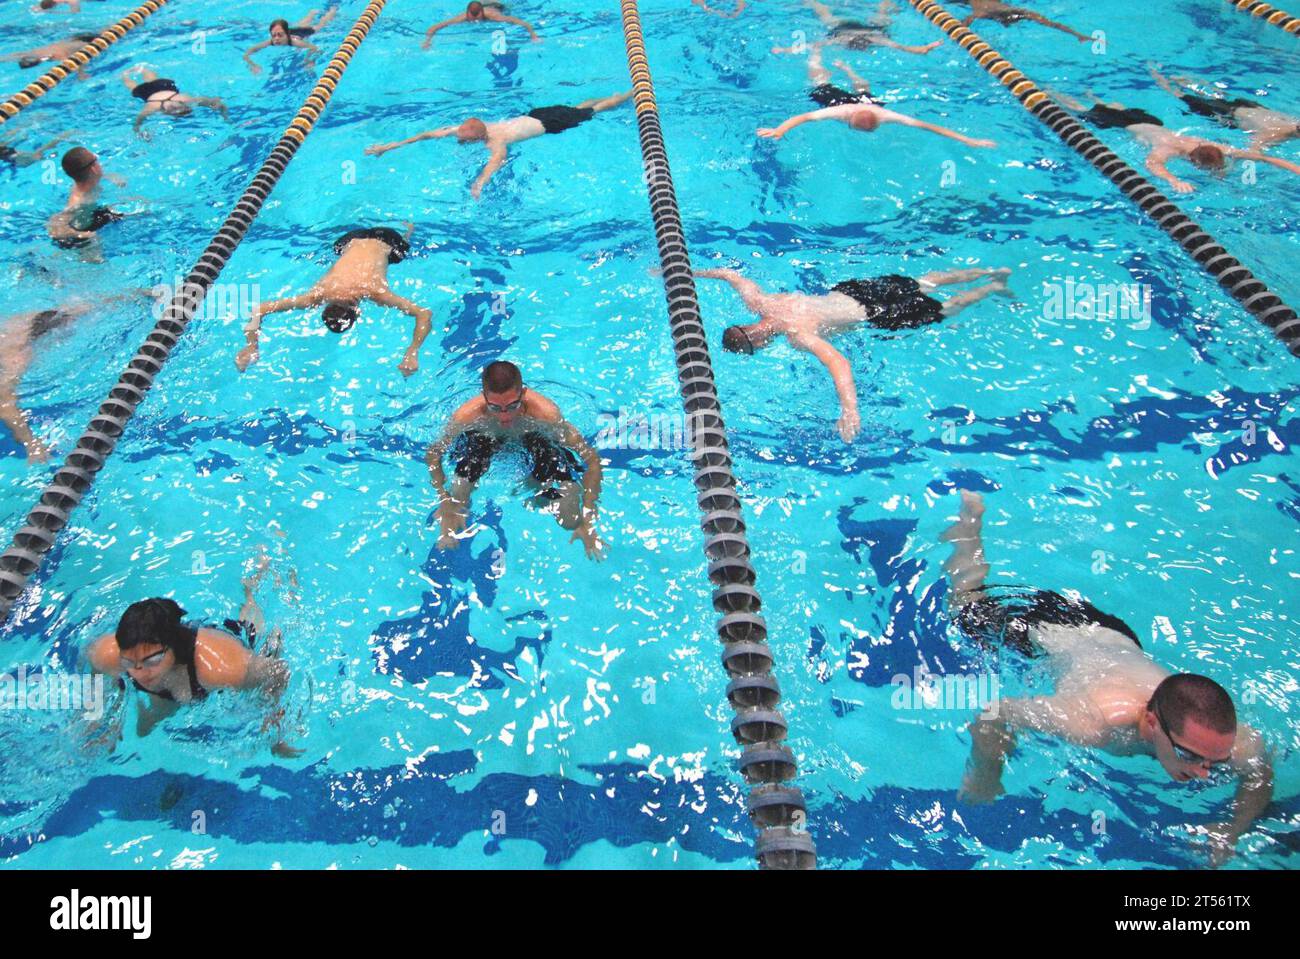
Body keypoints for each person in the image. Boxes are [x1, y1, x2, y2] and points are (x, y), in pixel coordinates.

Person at [942, 490, 1273, 866]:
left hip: (1116, 635)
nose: (1203, 772)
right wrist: (988, 773)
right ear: (1150, 722)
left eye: (1216, 760)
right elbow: (994, 712)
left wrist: (1231, 829)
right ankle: (968, 523)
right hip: (1049, 630)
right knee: (964, 604)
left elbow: (1260, 771)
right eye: (1189, 756)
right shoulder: (1089, 724)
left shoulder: (1224, 740)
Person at [700, 265, 1012, 441]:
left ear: (761, 345)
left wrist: (850, 410)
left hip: (874, 313)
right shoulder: (762, 303)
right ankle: (988, 271)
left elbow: (840, 362)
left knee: (945, 308)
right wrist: (683, 270)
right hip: (852, 292)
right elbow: (730, 274)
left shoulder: (798, 335)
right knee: (925, 281)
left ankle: (991, 288)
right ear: (745, 322)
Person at [86, 566, 301, 757]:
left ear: (172, 646)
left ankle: (254, 587)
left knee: (257, 629)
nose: (139, 673)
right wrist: (100, 715)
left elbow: (278, 672)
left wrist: (274, 722)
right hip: (173, 684)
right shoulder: (107, 653)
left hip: (226, 642)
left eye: (152, 660)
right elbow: (93, 674)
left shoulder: (221, 667)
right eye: (129, 663)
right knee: (143, 732)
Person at [425, 360, 604, 558]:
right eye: (494, 407)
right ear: (484, 398)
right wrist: (444, 499)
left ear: (524, 393)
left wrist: (587, 514)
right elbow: (434, 454)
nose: (504, 417)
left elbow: (592, 459)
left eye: (512, 406)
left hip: (535, 440)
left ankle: (536, 485)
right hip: (483, 439)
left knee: (570, 519)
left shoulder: (546, 414)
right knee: (459, 489)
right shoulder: (467, 416)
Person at [236, 224, 431, 377]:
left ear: (358, 312)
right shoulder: (317, 295)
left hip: (386, 240)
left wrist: (413, 352)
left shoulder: (374, 292)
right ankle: (408, 229)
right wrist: (251, 345)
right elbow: (258, 308)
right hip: (349, 239)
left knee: (402, 248)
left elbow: (424, 313)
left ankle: (409, 231)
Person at [365, 91, 632, 199]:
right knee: (577, 108)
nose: (458, 138)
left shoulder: (496, 138)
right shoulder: (463, 129)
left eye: (464, 139)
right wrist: (389, 146)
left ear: (478, 137)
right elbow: (425, 135)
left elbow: (497, 160)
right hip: (536, 113)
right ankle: (610, 97)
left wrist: (480, 182)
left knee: (594, 111)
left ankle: (625, 96)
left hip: (549, 124)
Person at [1053, 89, 1300, 194]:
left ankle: (1093, 94)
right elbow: (1152, 164)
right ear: (1193, 160)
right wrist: (1174, 180)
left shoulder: (1213, 146)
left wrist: (1294, 168)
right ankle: (1052, 93)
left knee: (1110, 105)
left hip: (1150, 121)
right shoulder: (1168, 148)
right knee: (1078, 108)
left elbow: (1263, 157)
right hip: (1123, 124)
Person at [1, 290, 150, 460]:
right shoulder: (17, 356)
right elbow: (5, 403)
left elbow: (94, 302)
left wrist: (138, 293)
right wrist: (31, 443)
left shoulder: (34, 319)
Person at [758, 88, 996, 147]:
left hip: (866, 103)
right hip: (837, 98)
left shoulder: (884, 115)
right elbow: (803, 117)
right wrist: (780, 130)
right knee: (820, 84)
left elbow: (929, 126)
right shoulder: (839, 112)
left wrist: (968, 140)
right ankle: (817, 59)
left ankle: (851, 72)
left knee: (866, 93)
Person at [1148, 63, 1300, 152]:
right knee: (1178, 95)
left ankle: (1182, 80)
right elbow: (1253, 149)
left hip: (1248, 106)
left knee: (1216, 96)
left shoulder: (1293, 121)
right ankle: (1156, 76)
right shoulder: (1274, 134)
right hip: (1227, 113)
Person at [774, 1, 942, 58]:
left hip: (853, 29)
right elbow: (903, 47)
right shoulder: (877, 41)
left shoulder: (841, 40)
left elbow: (815, 45)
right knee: (827, 17)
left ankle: (811, 2)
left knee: (881, 16)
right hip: (860, 30)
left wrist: (786, 49)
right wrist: (922, 49)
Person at [46, 146, 126, 252]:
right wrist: (85, 235)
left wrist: (112, 178)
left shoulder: (89, 181)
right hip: (82, 236)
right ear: (94, 169)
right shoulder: (78, 202)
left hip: (95, 215)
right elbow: (54, 226)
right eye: (96, 159)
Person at [122, 66, 229, 138]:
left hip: (163, 86)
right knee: (133, 87)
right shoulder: (153, 107)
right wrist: (223, 114)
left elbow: (214, 101)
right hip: (148, 93)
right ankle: (125, 76)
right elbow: (138, 122)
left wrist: (220, 109)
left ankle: (141, 69)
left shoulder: (185, 99)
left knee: (153, 79)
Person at [243, 7, 338, 73]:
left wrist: (309, 60)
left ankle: (333, 9)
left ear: (286, 34)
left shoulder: (294, 42)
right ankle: (313, 12)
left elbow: (314, 48)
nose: (276, 39)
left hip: (304, 33)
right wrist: (253, 65)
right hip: (294, 29)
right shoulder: (272, 41)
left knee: (321, 24)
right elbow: (248, 52)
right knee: (303, 22)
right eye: (274, 35)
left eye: (279, 35)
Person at [948, 0, 1092, 43]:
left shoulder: (981, 12)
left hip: (995, 12)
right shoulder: (985, 11)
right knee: (1042, 20)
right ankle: (1079, 35)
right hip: (1008, 11)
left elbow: (965, 23)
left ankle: (1079, 35)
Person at [422, 2, 539, 48]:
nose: (474, 21)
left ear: (482, 13)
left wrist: (533, 36)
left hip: (497, 4)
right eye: (471, 18)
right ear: (467, 12)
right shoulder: (462, 17)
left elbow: (522, 22)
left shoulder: (495, 16)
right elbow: (434, 27)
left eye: (477, 18)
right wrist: (427, 41)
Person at [1, 34, 98, 72]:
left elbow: (78, 59)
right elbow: (17, 55)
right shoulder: (37, 53)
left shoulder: (57, 56)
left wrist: (81, 73)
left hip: (84, 43)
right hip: (73, 39)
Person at [0, 129, 74, 169]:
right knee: (39, 153)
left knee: (39, 153)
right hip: (12, 157)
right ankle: (62, 137)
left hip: (11, 156)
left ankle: (62, 137)